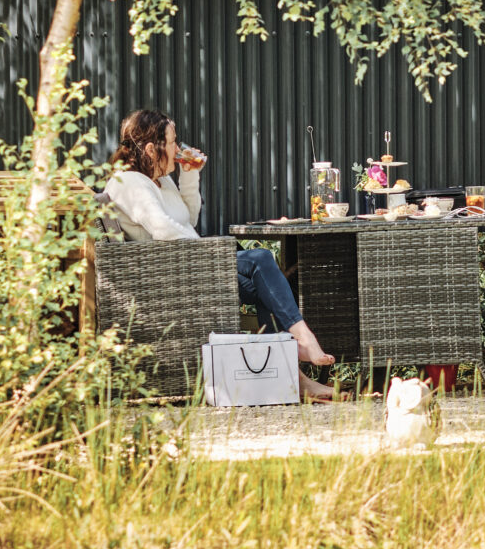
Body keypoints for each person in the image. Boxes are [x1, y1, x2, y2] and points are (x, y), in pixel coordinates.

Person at [101, 108, 336, 400]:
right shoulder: (129, 183)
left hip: (192, 265)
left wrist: (190, 176)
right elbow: (163, 230)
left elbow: (189, 219)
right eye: (172, 142)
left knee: (266, 282)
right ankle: (302, 339)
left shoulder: (158, 180)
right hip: (173, 276)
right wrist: (211, 251)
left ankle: (295, 379)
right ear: (151, 148)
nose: (178, 148)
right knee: (261, 259)